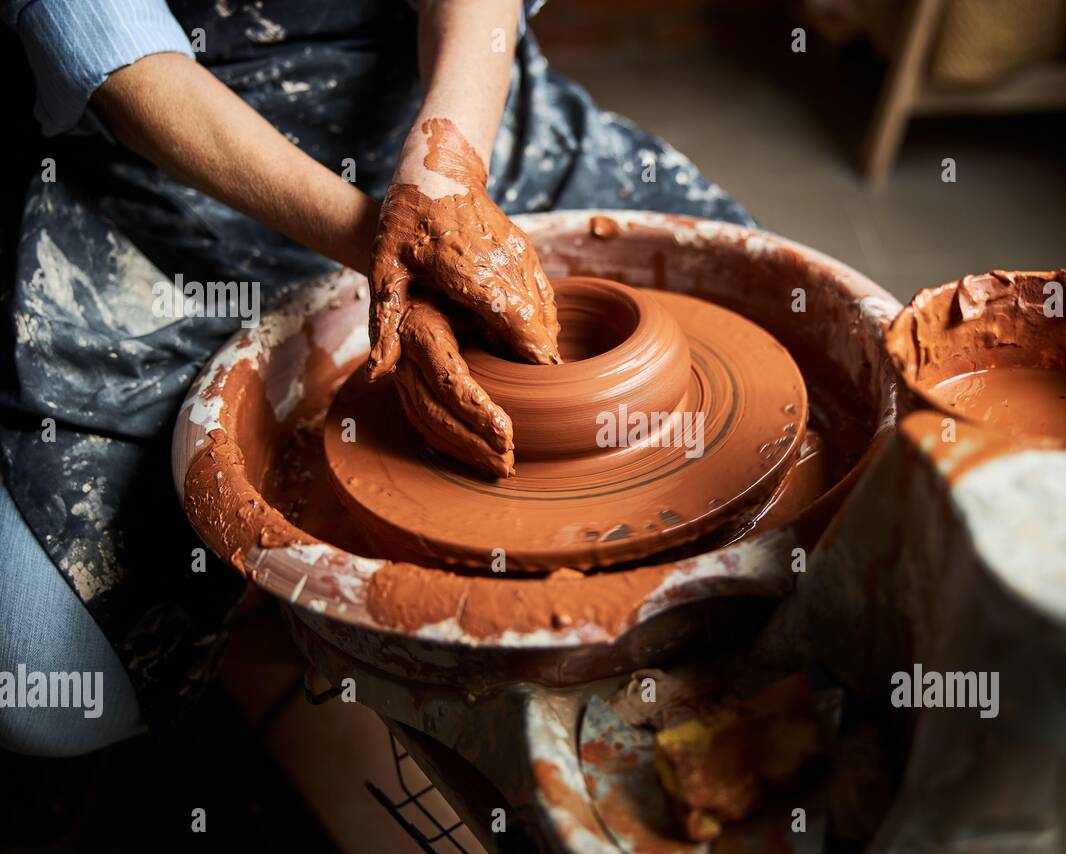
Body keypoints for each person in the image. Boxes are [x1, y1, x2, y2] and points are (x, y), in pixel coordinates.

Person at [0, 0, 751, 756]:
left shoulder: (448, 154)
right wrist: (390, 253)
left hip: (446, 105)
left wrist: (444, 179)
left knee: (758, 327)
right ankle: (276, 622)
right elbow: (118, 61)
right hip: (180, 173)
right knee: (51, 686)